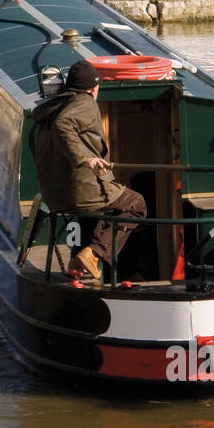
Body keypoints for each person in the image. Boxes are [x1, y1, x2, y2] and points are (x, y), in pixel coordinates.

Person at [32, 58, 148, 280]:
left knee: (101, 209)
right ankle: (94, 254)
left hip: (53, 195)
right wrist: (86, 158)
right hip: (79, 192)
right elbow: (63, 125)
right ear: (94, 88)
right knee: (136, 204)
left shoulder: (55, 107)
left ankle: (79, 263)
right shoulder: (84, 103)